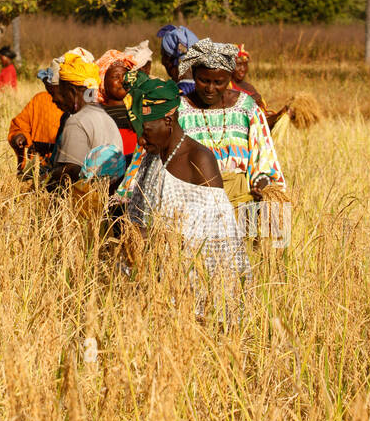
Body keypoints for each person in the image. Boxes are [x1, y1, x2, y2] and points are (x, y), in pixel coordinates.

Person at [116, 72, 251, 311]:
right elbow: (136, 218)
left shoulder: (199, 159)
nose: (141, 141)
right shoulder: (153, 157)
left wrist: (157, 237)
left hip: (191, 297)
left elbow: (220, 240)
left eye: (145, 131)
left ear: (168, 120)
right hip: (152, 293)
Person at [174, 38, 285, 208]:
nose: (210, 89)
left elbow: (263, 155)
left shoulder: (245, 108)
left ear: (229, 79)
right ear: (194, 75)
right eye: (204, 80)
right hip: (194, 200)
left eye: (219, 82)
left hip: (240, 199)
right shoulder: (180, 111)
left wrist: (262, 182)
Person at [46, 52, 124, 191]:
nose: (61, 98)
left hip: (85, 204)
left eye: (63, 93)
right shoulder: (105, 116)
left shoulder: (77, 122)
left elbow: (70, 173)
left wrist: (46, 181)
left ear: (72, 91)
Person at [231, 45, 290, 144]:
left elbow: (261, 122)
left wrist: (281, 114)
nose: (242, 69)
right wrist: (250, 100)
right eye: (238, 65)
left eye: (245, 64)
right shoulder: (225, 86)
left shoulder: (249, 88)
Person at [8, 68, 63, 173]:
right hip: (38, 166)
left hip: (67, 168)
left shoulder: (79, 107)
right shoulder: (39, 99)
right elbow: (20, 124)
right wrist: (19, 136)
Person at [95, 50, 138, 161]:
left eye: (125, 76)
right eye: (115, 77)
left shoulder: (139, 108)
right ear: (102, 81)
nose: (122, 81)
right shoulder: (97, 113)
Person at [157, 24, 200, 95]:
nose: (162, 62)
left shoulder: (175, 94)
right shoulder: (202, 90)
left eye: (162, 55)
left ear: (169, 59)